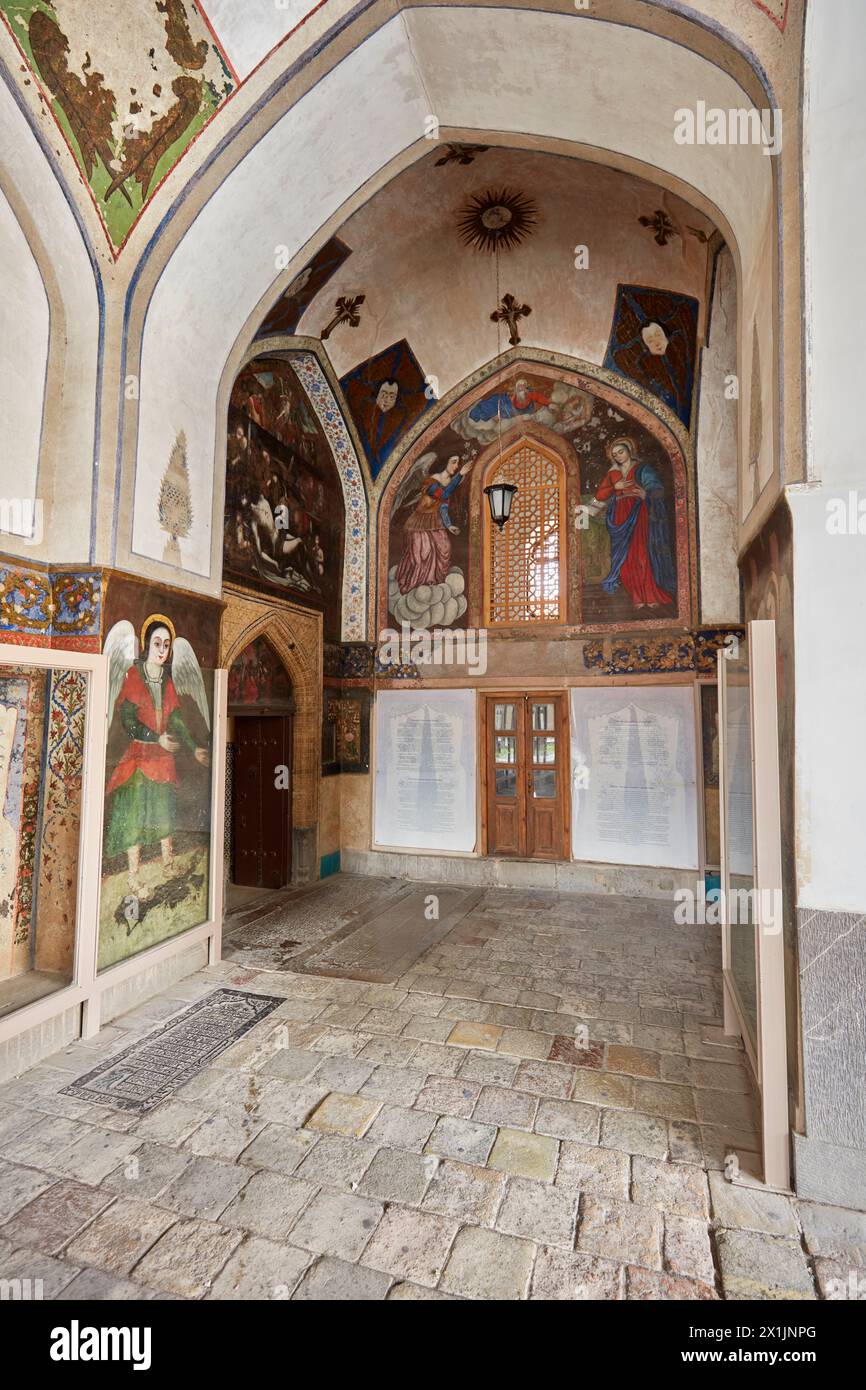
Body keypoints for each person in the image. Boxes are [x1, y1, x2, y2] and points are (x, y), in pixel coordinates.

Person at [105, 621, 210, 895]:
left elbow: (175, 719)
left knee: (164, 814)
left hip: (162, 760)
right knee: (135, 818)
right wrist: (155, 738)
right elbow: (127, 721)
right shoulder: (133, 675)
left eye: (166, 645)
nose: (162, 650)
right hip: (139, 758)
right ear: (146, 644)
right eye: (157, 644)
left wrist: (193, 747)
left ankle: (167, 865)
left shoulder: (166, 680)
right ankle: (133, 878)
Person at [587, 436, 675, 608]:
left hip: (638, 512)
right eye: (615, 454)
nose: (619, 456)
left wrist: (646, 495)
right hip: (619, 513)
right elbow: (601, 495)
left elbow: (657, 488)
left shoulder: (642, 469)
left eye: (621, 452)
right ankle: (636, 596)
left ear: (629, 451)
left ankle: (650, 595)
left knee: (641, 554)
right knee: (625, 559)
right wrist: (614, 488)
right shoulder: (612, 473)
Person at [396, 453, 472, 593]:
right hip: (419, 522)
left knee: (445, 547)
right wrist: (460, 475)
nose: (456, 466)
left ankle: (432, 584)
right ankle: (414, 588)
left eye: (458, 464)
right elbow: (442, 495)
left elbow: (442, 507)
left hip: (435, 522)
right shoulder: (430, 482)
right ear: (445, 463)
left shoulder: (448, 486)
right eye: (453, 462)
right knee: (422, 553)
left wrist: (449, 525)